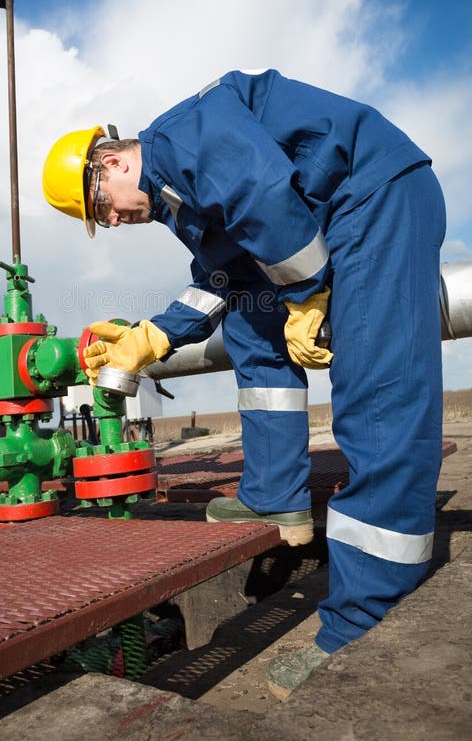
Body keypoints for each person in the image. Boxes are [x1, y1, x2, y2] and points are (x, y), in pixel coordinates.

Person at [42, 69, 446, 696]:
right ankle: (273, 492)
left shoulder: (185, 136)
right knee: (255, 329)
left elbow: (263, 193)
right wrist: (151, 337)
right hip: (330, 219)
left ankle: (364, 616)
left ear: (112, 161)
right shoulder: (178, 191)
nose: (115, 222)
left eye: (103, 209)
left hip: (373, 199)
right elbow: (224, 273)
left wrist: (309, 296)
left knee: (376, 392)